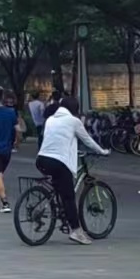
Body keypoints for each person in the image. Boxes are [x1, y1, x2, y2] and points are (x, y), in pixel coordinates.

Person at [35, 94, 100, 243]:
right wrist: (102, 151)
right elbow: (88, 140)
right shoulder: (74, 121)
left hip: (41, 160)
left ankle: (59, 210)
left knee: (60, 187)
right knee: (69, 197)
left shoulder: (50, 119)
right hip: (59, 162)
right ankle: (76, 230)